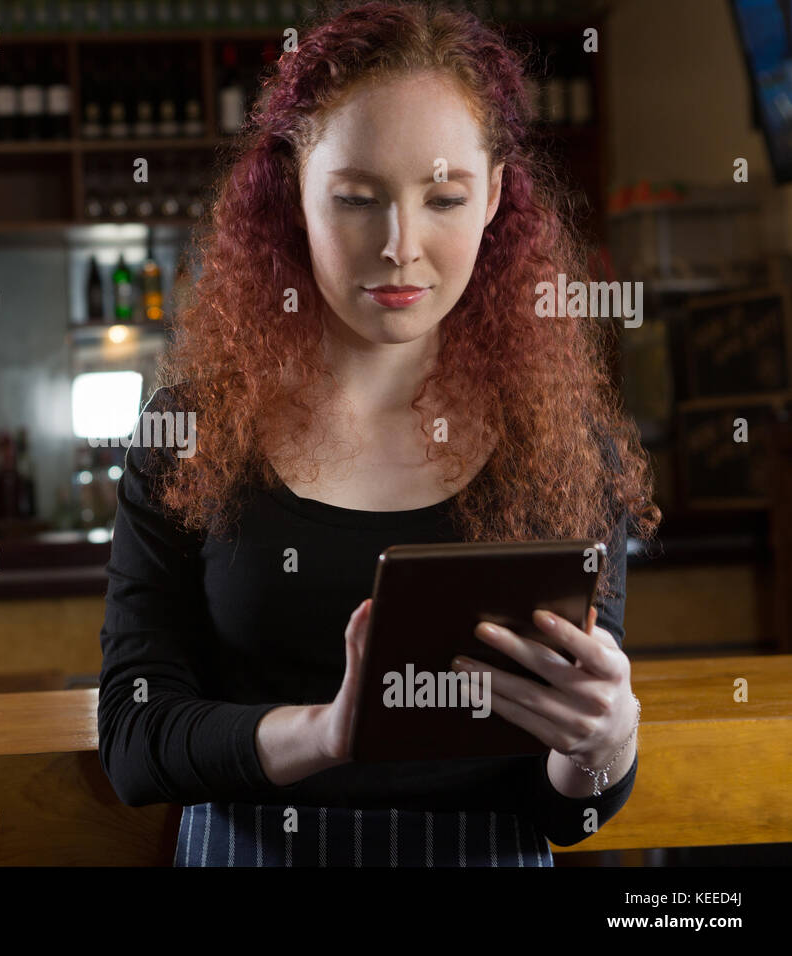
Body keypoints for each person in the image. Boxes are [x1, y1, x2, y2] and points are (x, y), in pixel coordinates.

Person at [96, 0, 661, 867]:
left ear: (497, 195)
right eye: (358, 199)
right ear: (293, 189)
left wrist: (606, 745)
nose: (401, 245)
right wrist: (327, 734)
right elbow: (137, 741)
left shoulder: (565, 447)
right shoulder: (188, 431)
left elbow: (566, 817)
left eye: (444, 197)